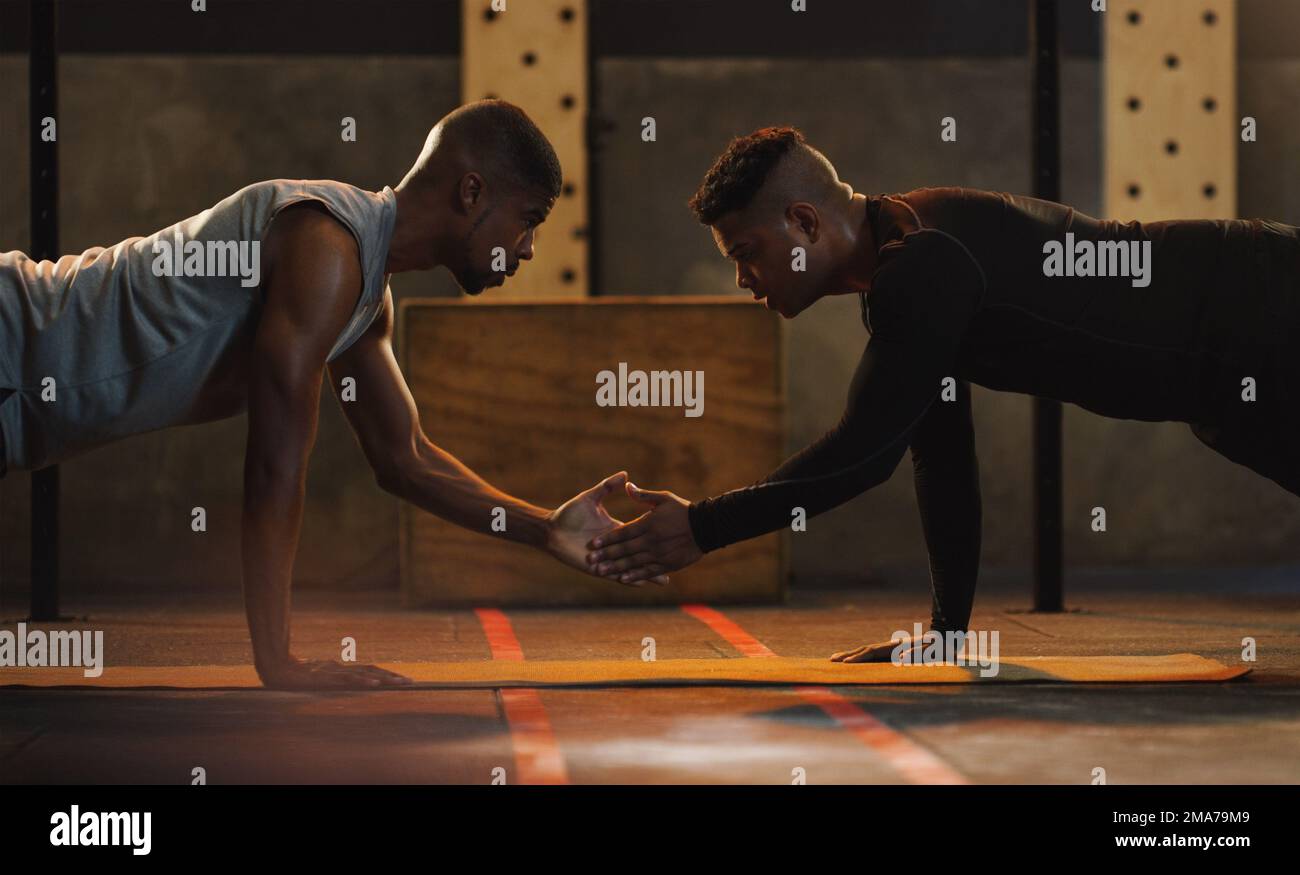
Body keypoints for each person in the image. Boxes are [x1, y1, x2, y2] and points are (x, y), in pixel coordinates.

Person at [586, 125, 1300, 662]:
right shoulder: (906, 267)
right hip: (1233, 367)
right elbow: (941, 458)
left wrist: (703, 527)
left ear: (803, 222)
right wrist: (945, 639)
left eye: (747, 253)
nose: (745, 280)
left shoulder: (921, 264)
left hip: (1264, 300)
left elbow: (860, 455)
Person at [0, 100, 649, 689]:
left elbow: (405, 459)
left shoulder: (366, 295)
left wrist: (545, 528)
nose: (530, 248)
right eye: (528, 220)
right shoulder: (325, 247)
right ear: (472, 191)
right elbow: (274, 467)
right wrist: (278, 661)